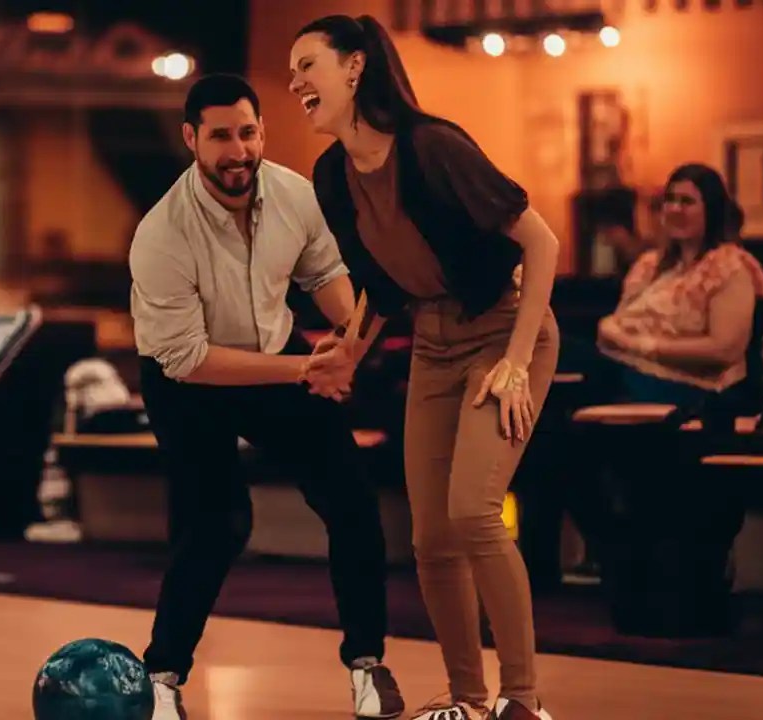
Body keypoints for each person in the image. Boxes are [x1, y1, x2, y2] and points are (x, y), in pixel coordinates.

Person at [289, 15, 562, 720]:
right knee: (430, 538)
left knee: (474, 512)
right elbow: (382, 280)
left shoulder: (432, 146)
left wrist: (514, 361)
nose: (295, 82)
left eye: (307, 65)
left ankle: (523, 701)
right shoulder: (333, 174)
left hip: (506, 331)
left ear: (354, 68)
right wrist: (351, 346)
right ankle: (470, 700)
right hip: (434, 345)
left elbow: (541, 241)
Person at [129, 73, 405, 720]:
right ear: (192, 139)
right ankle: (163, 677)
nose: (238, 151)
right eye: (220, 136)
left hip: (279, 359)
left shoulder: (293, 194)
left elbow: (328, 279)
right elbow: (189, 359)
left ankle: (368, 668)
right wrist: (310, 370)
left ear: (262, 131)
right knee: (218, 525)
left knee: (352, 501)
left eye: (247, 132)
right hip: (186, 380)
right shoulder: (160, 234)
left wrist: (350, 348)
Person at [597, 163, 763, 409]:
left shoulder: (729, 266)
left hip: (690, 389)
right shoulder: (649, 264)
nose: (675, 209)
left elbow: (724, 350)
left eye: (687, 201)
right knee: (555, 356)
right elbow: (618, 325)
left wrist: (647, 346)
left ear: (710, 211)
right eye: (670, 200)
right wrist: (610, 331)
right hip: (623, 368)